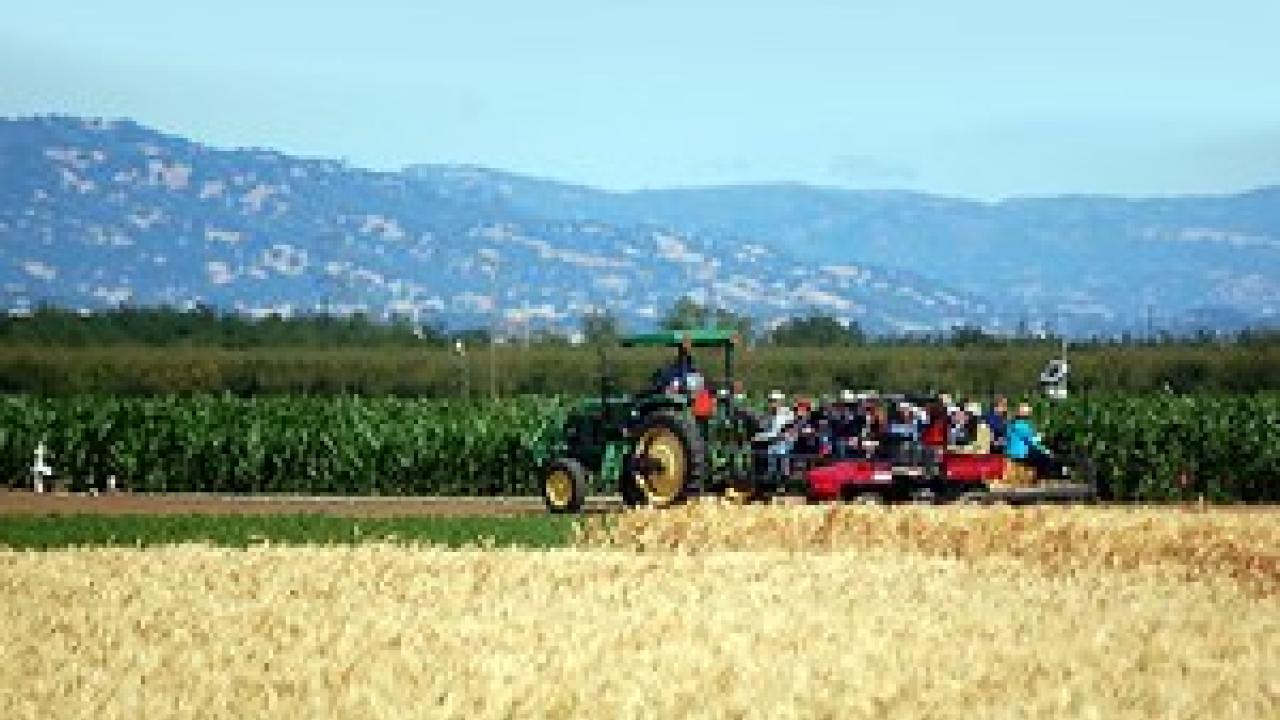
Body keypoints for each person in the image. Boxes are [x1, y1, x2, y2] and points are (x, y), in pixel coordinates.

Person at [754, 390, 796, 482]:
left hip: (785, 443)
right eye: (771, 401)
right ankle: (772, 480)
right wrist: (760, 436)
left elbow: (788, 431)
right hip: (772, 442)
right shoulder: (767, 415)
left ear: (780, 401)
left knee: (781, 452)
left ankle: (784, 480)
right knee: (770, 454)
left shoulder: (788, 414)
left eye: (774, 401)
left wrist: (766, 436)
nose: (772, 403)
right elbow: (765, 430)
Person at [1006, 402, 1052, 476]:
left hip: (1011, 453)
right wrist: (1045, 450)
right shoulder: (1023, 426)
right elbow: (1031, 441)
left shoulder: (1011, 424)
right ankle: (1040, 475)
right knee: (1043, 457)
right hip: (1021, 454)